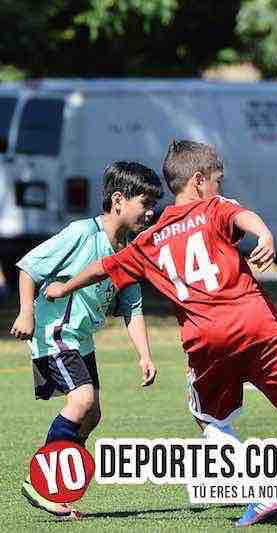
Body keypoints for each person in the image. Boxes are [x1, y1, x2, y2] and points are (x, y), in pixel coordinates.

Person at [46, 139, 277, 527]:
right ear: (198, 181)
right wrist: (265, 236)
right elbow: (246, 217)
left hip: (206, 340)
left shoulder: (149, 239)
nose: (220, 187)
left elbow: (103, 267)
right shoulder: (215, 207)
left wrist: (64, 287)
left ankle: (260, 496)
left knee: (209, 421)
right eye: (218, 180)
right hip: (256, 325)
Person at [11, 162, 161, 519]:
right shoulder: (81, 233)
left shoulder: (129, 252)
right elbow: (28, 267)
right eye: (146, 201)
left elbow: (132, 308)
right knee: (82, 399)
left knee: (92, 415)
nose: (151, 210)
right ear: (119, 200)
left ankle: (59, 482)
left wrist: (144, 355)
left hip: (81, 341)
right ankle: (45, 483)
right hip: (55, 334)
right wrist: (25, 313)